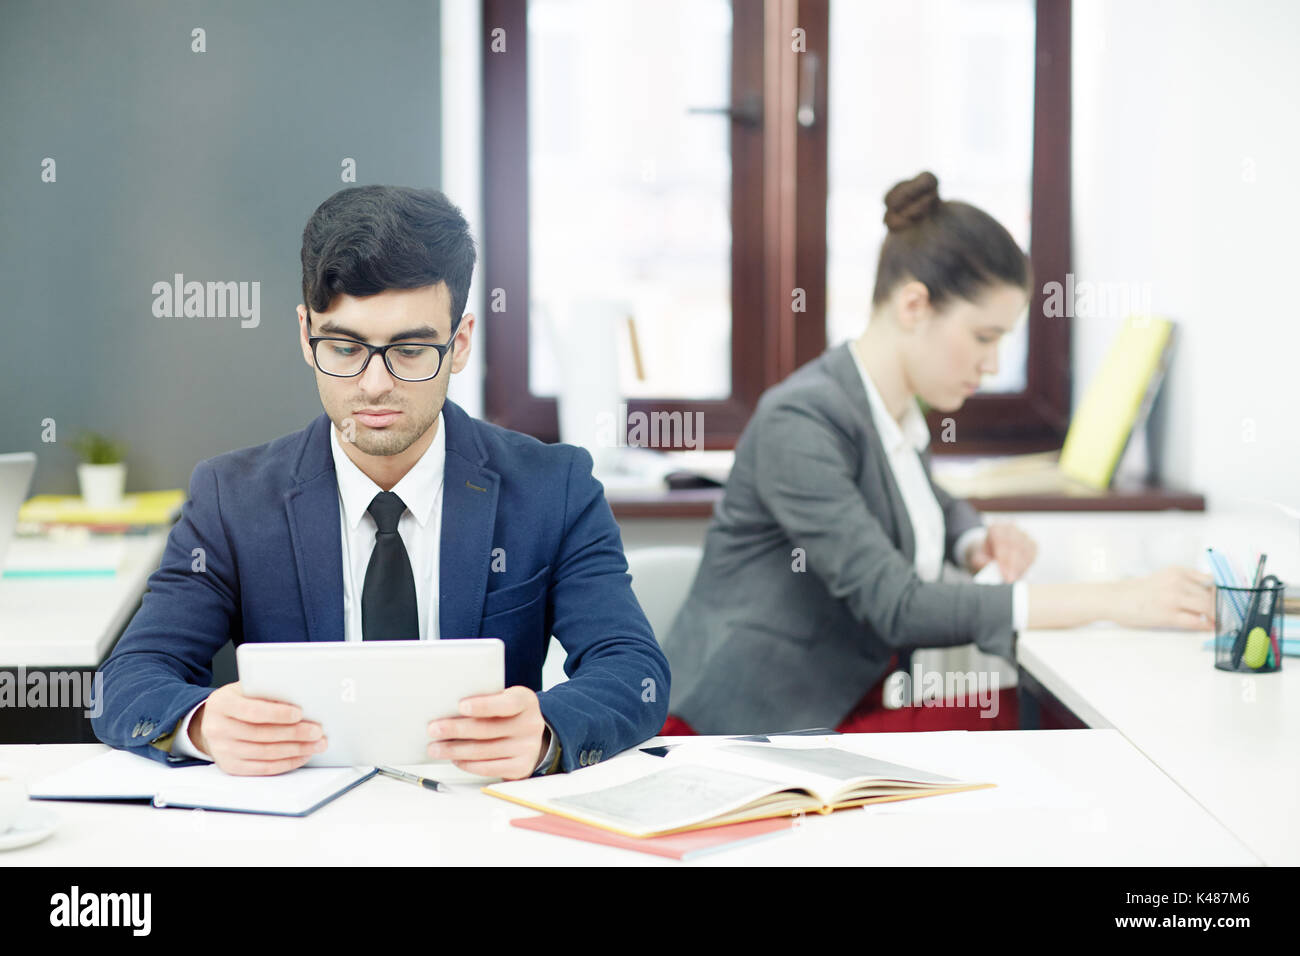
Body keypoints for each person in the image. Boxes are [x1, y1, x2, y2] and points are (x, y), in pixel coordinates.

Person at [93, 185, 669, 778]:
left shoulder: (556, 488)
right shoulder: (231, 498)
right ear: (304, 334)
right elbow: (127, 680)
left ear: (460, 342)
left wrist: (549, 730)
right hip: (295, 828)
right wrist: (202, 724)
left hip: (482, 823)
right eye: (343, 347)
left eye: (411, 349)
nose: (373, 385)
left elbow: (633, 670)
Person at [660, 171, 1213, 737]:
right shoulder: (800, 420)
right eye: (983, 337)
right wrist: (1115, 599)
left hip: (836, 706)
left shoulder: (890, 410)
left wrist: (973, 539)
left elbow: (927, 501)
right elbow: (899, 606)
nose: (993, 364)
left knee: (1050, 720)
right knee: (1050, 727)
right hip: (749, 727)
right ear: (914, 305)